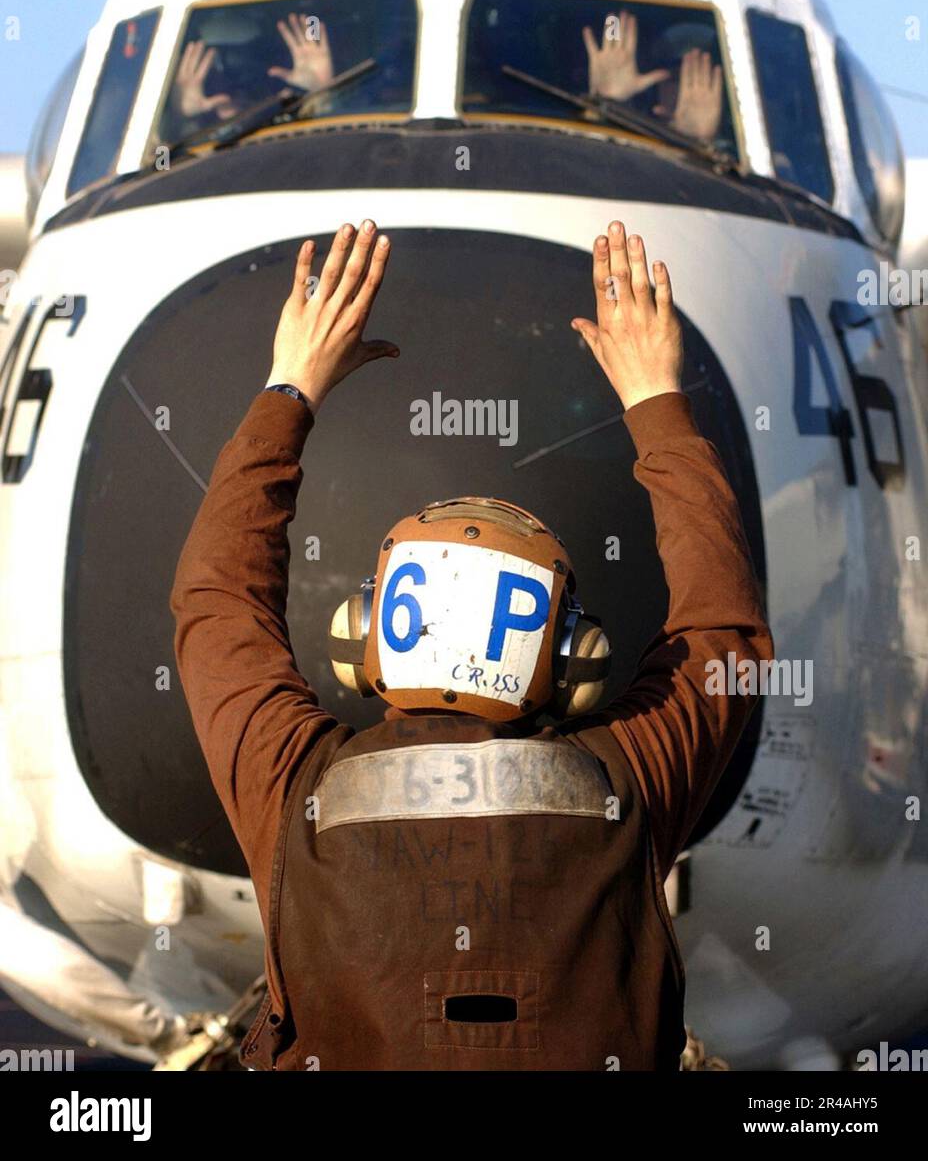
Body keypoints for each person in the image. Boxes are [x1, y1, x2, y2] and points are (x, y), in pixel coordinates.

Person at [170, 218, 773, 1070]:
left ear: (366, 638)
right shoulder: (629, 788)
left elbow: (215, 604)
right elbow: (725, 635)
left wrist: (290, 388)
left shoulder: (292, 790)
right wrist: (657, 404)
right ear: (572, 663)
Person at [164, 12, 334, 140]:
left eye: (244, 64)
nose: (232, 84)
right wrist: (180, 120)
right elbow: (158, 168)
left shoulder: (287, 127)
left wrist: (319, 95)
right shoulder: (182, 150)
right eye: (213, 69)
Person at [583, 10, 724, 145]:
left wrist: (698, 141)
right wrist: (607, 100)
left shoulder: (734, 154)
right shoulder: (631, 132)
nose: (686, 93)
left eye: (701, 83)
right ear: (656, 84)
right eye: (673, 79)